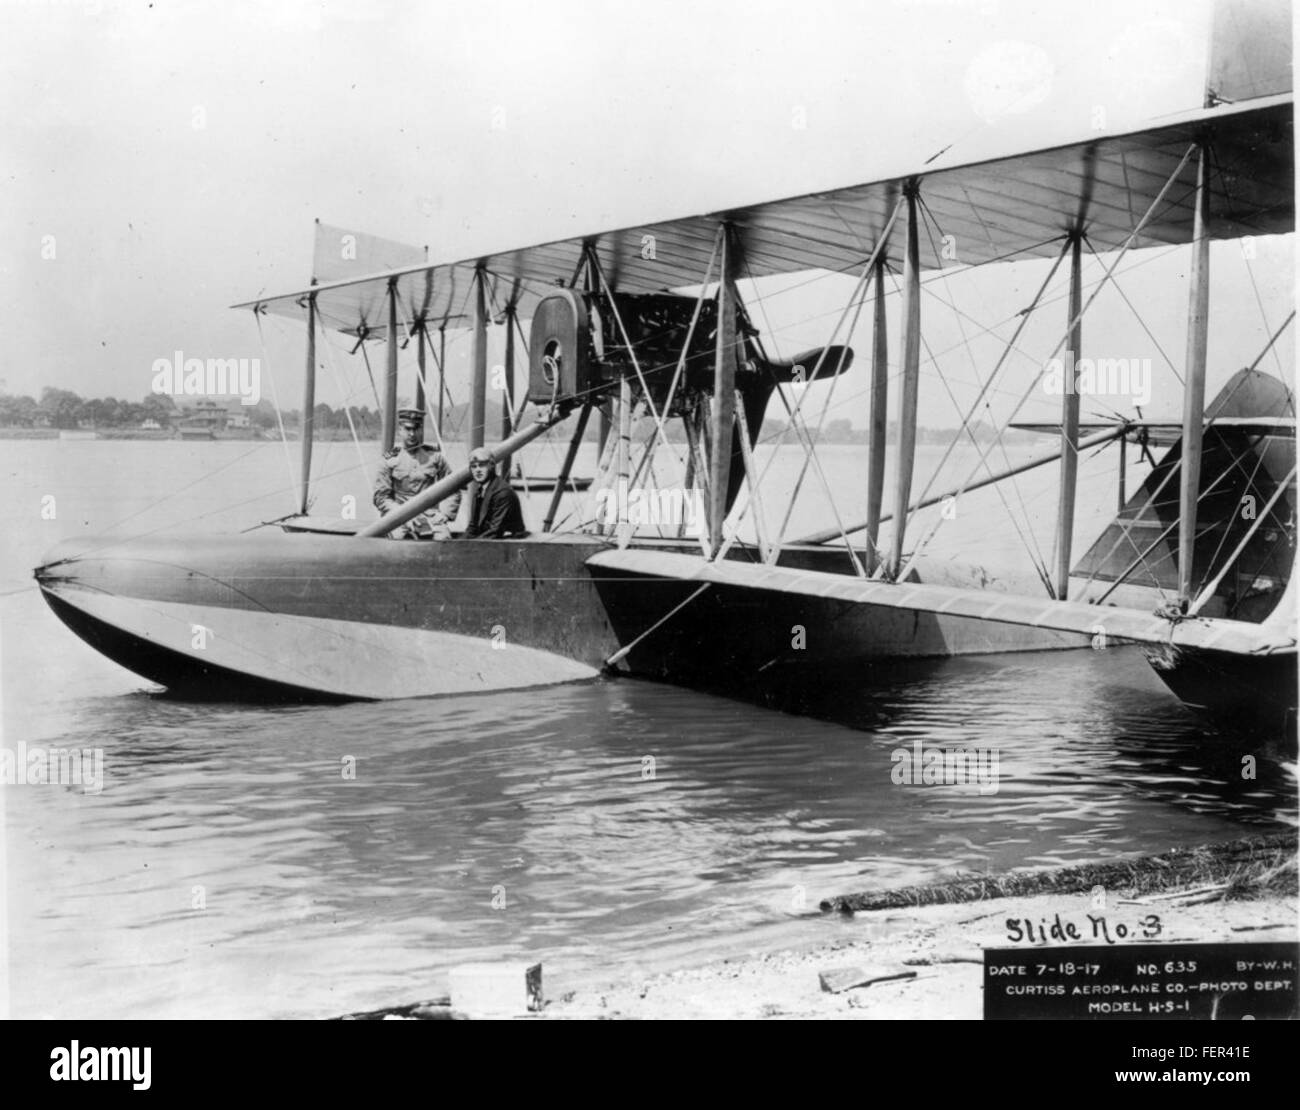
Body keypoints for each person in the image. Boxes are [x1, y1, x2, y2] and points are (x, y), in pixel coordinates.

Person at [372, 409, 460, 539]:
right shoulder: (389, 461)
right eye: (408, 429)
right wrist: (401, 515)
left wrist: (445, 514)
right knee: (397, 540)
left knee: (443, 539)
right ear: (400, 431)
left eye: (416, 429)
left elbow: (453, 487)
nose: (412, 434)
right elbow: (381, 497)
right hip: (398, 517)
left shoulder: (435, 458)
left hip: (430, 516)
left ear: (421, 430)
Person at [464, 447, 527, 538]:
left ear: (492, 465)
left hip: (509, 544)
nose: (477, 470)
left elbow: (494, 531)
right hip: (490, 542)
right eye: (474, 466)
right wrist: (456, 545)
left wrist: (468, 548)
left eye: (482, 465)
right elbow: (473, 527)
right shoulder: (479, 492)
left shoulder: (503, 493)